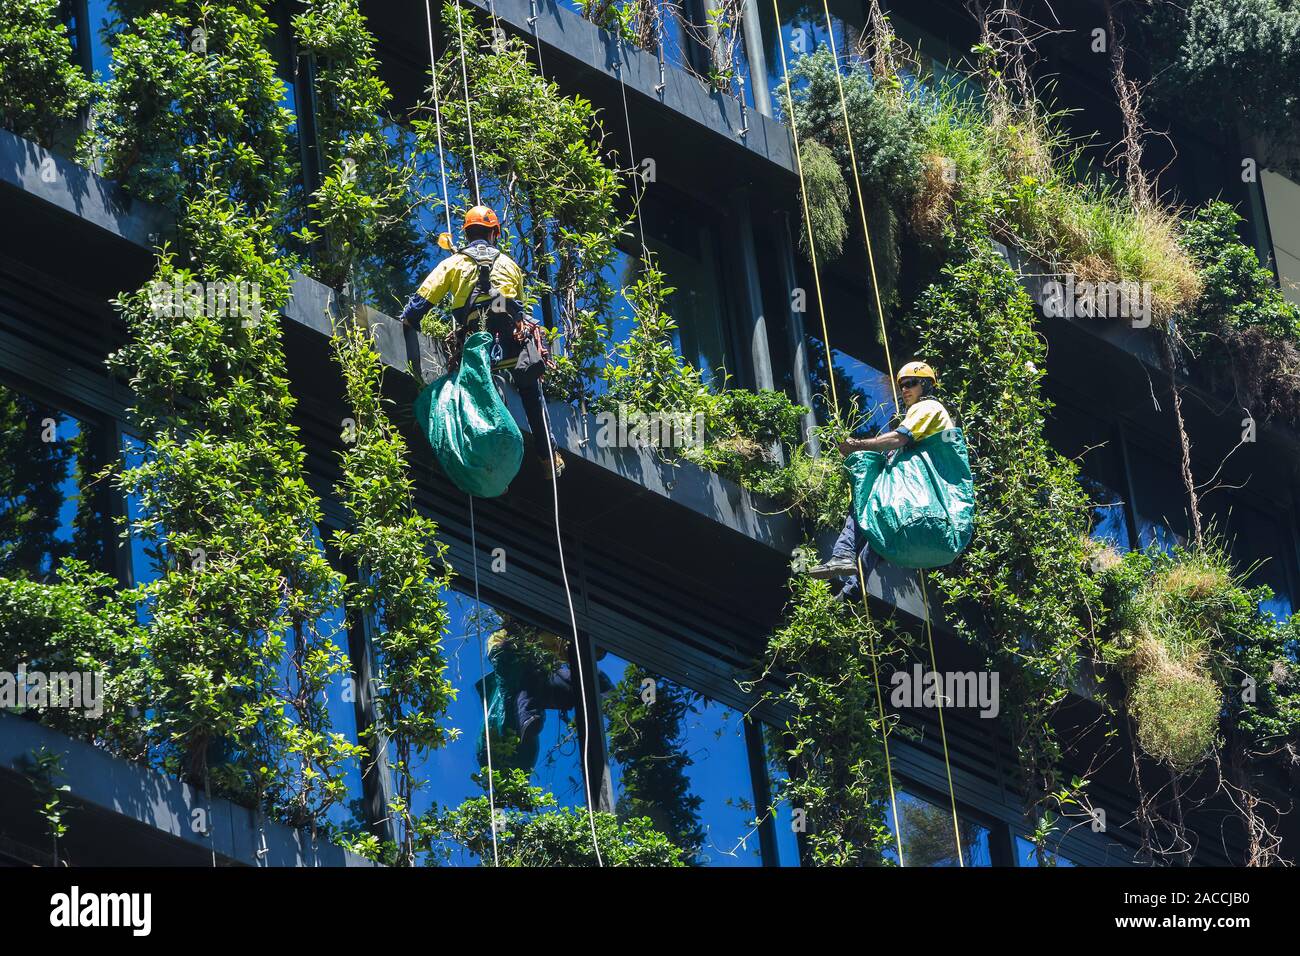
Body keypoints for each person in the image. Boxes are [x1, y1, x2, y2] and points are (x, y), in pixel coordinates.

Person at [399, 204, 564, 478]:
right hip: (512, 339)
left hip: (480, 340)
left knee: (482, 394)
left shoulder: (453, 263)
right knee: (531, 393)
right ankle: (548, 457)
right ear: (494, 234)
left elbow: (420, 303)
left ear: (467, 234)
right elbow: (519, 308)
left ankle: (491, 464)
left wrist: (407, 323)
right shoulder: (510, 265)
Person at [808, 360, 955, 603]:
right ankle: (853, 589)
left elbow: (899, 438)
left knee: (867, 500)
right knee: (880, 532)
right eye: (902, 386)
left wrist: (858, 445)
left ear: (926, 385)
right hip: (928, 499)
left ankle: (843, 553)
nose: (905, 390)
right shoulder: (935, 417)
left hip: (916, 491)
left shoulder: (927, 407)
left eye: (911, 383)